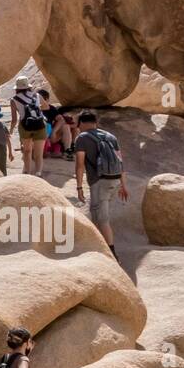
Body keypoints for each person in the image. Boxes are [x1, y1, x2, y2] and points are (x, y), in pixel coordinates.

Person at [74, 110, 129, 259]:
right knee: (98, 214)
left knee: (102, 219)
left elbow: (80, 164)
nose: (77, 127)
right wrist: (123, 185)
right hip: (115, 180)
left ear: (82, 123)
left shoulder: (82, 138)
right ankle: (99, 248)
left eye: (78, 124)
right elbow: (120, 161)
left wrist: (79, 187)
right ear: (95, 122)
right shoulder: (111, 136)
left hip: (99, 182)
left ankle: (111, 254)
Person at [10, 76, 47, 176]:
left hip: (25, 126)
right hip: (40, 124)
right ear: (28, 86)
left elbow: (14, 119)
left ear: (17, 88)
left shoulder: (14, 99)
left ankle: (28, 172)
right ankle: (38, 172)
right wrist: (36, 110)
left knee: (27, 151)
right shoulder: (37, 95)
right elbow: (46, 106)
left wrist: (11, 130)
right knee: (38, 154)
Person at [38, 88, 76, 158]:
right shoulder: (33, 108)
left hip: (50, 134)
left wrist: (54, 131)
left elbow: (61, 120)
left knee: (66, 126)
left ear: (46, 100)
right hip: (40, 136)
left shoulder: (51, 108)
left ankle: (67, 151)